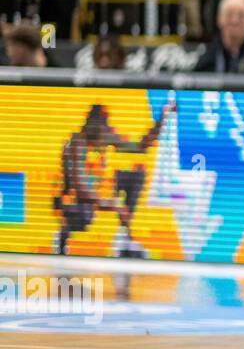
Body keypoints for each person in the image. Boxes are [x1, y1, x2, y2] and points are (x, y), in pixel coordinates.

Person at [55, 101, 173, 255]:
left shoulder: (103, 137)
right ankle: (64, 237)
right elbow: (82, 190)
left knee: (136, 176)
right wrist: (113, 204)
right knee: (85, 213)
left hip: (93, 193)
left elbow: (141, 146)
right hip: (73, 199)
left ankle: (126, 239)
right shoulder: (77, 145)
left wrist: (163, 118)